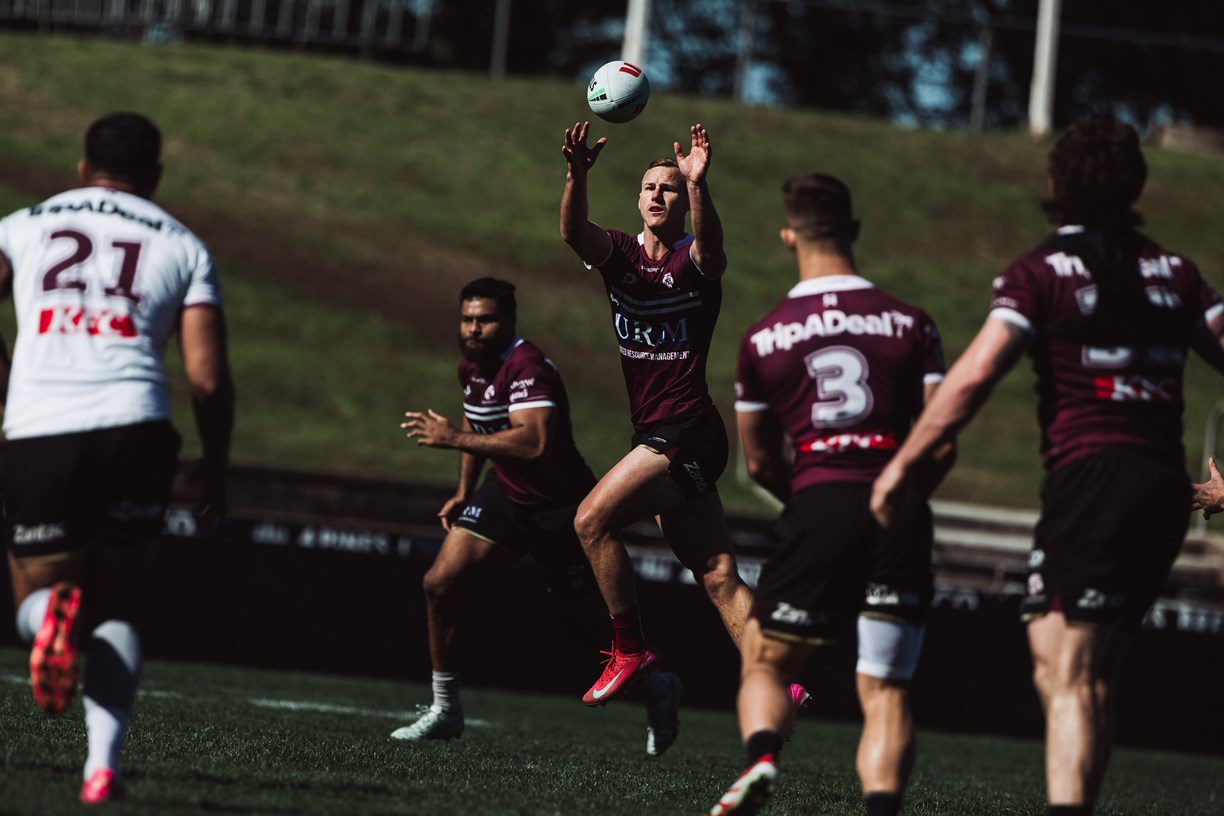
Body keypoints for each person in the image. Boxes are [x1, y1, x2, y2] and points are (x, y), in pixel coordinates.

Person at [870, 117, 1224, 816]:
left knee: (1071, 677)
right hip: (1161, 490)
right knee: (1081, 673)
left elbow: (972, 379)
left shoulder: (1039, 274)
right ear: (1135, 186)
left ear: (1058, 184)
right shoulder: (1177, 273)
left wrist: (900, 465)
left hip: (1094, 484)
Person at [0, 111, 234, 804]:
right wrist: (215, 464)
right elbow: (207, 379)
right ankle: (101, 769)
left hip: (42, 427)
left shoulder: (21, 224)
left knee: (36, 597)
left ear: (81, 167)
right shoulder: (184, 245)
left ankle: (50, 629)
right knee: (120, 605)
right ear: (155, 177)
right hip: (136, 429)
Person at [709, 175, 951, 816]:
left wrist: (819, 501)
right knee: (885, 690)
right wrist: (899, 492)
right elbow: (943, 444)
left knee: (763, 659)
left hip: (818, 504)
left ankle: (762, 756)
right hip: (897, 509)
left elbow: (759, 461)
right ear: (855, 231)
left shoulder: (763, 338)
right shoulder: (911, 323)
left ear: (788, 236)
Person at [559, 122, 807, 716]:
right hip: (662, 433)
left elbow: (712, 247)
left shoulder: (692, 264)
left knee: (591, 521)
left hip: (688, 430)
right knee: (718, 573)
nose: (656, 196)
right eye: (649, 187)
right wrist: (577, 173)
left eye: (667, 189)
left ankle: (629, 649)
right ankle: (780, 686)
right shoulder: (619, 257)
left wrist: (699, 184)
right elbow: (571, 232)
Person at [392, 278, 682, 756]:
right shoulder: (473, 365)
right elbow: (475, 419)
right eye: (467, 319)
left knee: (590, 630)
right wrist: (464, 490)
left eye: (484, 320)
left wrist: (452, 441)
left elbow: (533, 442)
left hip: (562, 509)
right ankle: (445, 710)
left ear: (508, 322)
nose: (474, 329)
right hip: (506, 496)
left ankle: (659, 690)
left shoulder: (527, 366)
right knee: (439, 583)